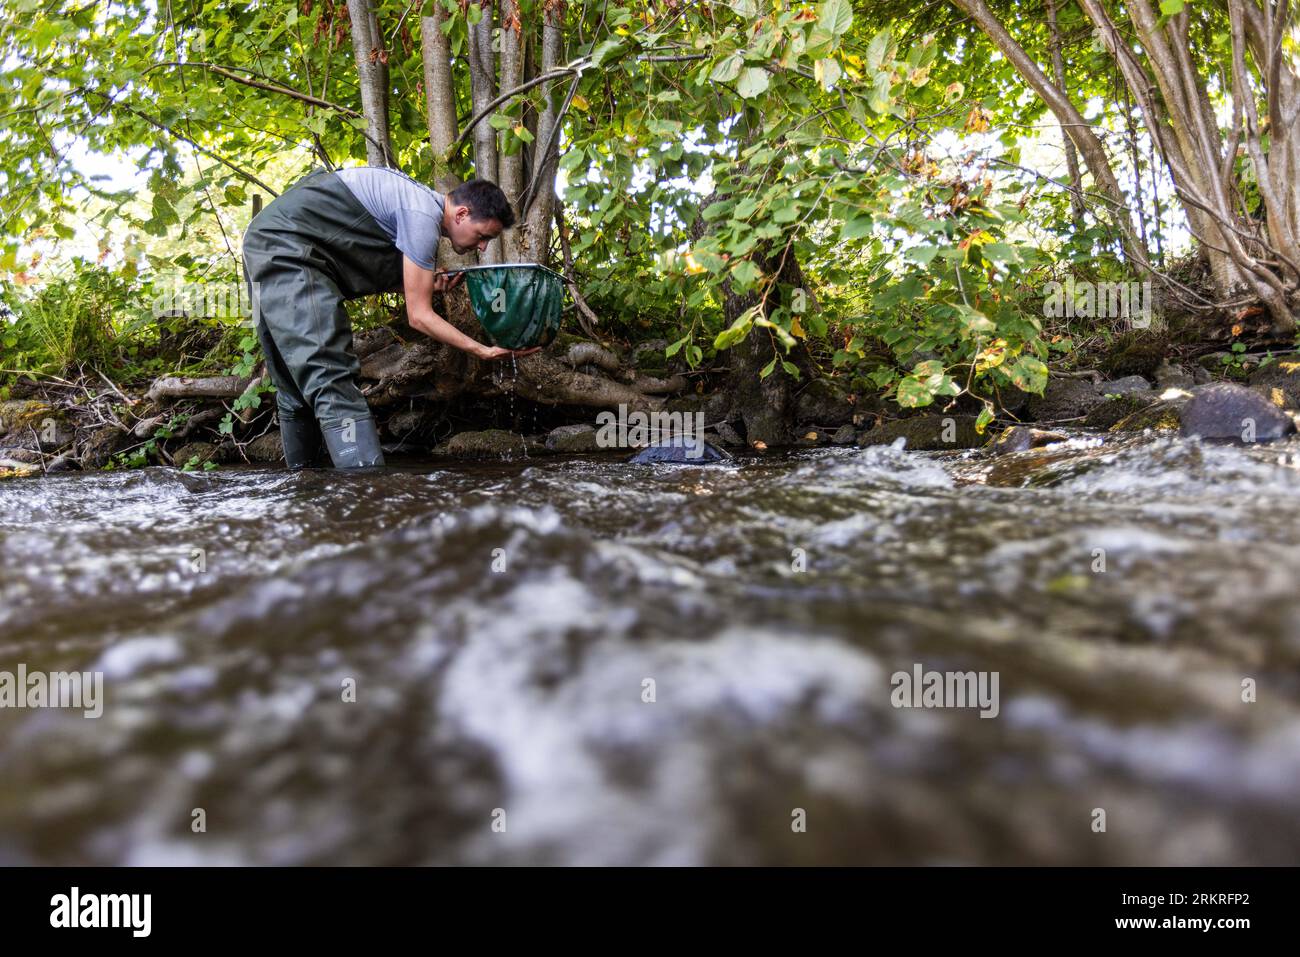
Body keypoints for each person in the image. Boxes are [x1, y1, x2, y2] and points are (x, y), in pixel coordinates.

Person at [240, 166, 540, 469]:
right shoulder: (422, 214)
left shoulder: (415, 205)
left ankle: (303, 489)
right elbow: (419, 317)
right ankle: (367, 493)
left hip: (264, 241)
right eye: (482, 236)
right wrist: (482, 350)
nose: (483, 247)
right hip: (288, 252)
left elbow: (349, 250)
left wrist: (424, 284)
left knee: (293, 388)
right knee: (332, 379)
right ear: (461, 214)